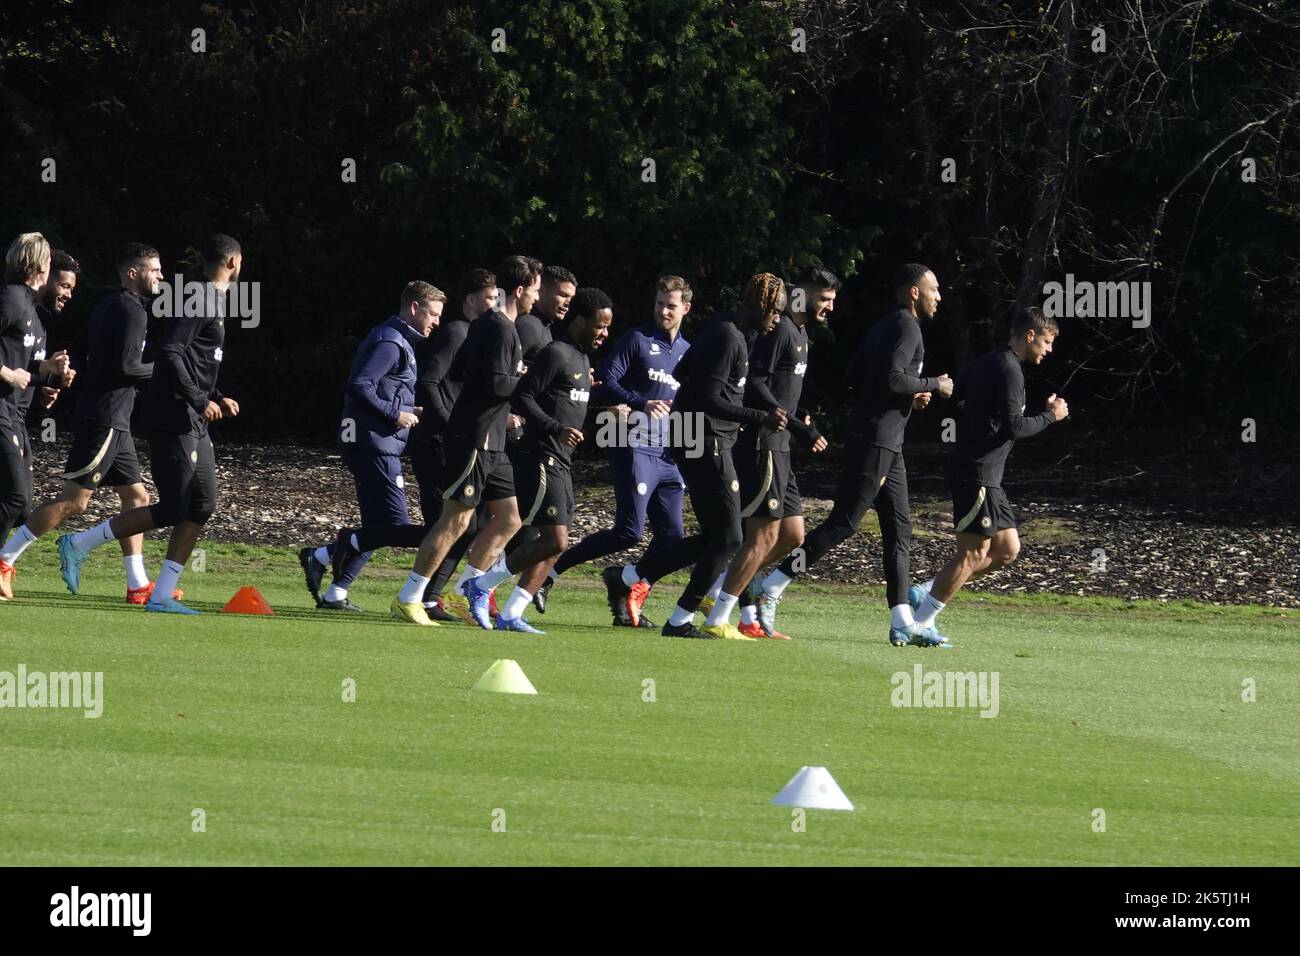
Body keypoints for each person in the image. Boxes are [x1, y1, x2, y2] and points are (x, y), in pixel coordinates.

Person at [758, 263, 956, 647]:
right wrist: (934, 384)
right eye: (934, 289)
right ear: (914, 292)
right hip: (876, 440)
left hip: (887, 441)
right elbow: (892, 379)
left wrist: (905, 397)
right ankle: (773, 584)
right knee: (843, 523)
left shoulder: (886, 325)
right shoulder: (906, 327)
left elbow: (856, 378)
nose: (939, 297)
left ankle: (902, 620)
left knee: (899, 530)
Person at [57, 234, 243, 614]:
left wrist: (217, 394)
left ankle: (161, 595)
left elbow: (194, 359)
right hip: (174, 417)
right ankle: (79, 544)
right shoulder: (201, 298)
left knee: (202, 504)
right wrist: (197, 398)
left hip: (195, 418)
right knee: (175, 506)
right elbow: (170, 350)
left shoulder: (212, 299)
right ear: (234, 263)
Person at [605, 273, 789, 639]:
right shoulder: (728, 336)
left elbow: (684, 371)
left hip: (699, 437)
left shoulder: (725, 329)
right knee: (731, 537)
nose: (778, 319)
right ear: (764, 305)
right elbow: (709, 398)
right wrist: (758, 417)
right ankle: (679, 620)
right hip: (705, 442)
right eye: (777, 311)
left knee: (716, 536)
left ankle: (627, 577)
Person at [1, 245, 181, 603]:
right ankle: (5, 560)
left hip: (116, 419)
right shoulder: (131, 311)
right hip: (105, 418)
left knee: (136, 496)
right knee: (75, 501)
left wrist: (53, 381)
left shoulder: (110, 306)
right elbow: (126, 368)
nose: (161, 276)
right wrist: (166, 369)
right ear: (133, 273)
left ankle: (136, 584)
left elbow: (79, 351)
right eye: (155, 270)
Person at [389, 255, 535, 626]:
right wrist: (536, 382)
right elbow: (496, 384)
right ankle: (409, 597)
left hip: (495, 438)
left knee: (510, 518)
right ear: (519, 290)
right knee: (457, 519)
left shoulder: (500, 326)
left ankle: (465, 592)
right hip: (476, 437)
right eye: (534, 289)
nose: (537, 297)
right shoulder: (499, 328)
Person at [909, 306, 1068, 636]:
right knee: (974, 552)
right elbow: (1015, 427)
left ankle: (926, 591)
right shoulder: (1008, 370)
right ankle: (921, 623)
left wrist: (977, 419)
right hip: (976, 472)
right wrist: (1052, 415)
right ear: (1030, 336)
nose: (1049, 349)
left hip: (989, 476)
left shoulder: (990, 361)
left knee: (1007, 549)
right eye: (1048, 341)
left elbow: (957, 401)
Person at [542, 275, 692, 626]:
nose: (662, 311)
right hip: (631, 442)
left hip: (669, 452)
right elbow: (607, 381)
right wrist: (640, 402)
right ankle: (551, 572)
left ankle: (626, 584)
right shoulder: (637, 340)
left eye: (670, 305)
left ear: (686, 308)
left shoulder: (688, 351)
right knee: (630, 531)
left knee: (673, 540)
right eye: (658, 303)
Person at [700, 265, 840, 638]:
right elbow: (755, 383)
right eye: (824, 299)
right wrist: (793, 424)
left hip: (782, 446)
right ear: (802, 294)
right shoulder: (779, 329)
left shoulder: (801, 332)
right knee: (761, 535)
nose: (829, 307)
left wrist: (801, 418)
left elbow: (783, 389)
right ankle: (720, 614)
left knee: (793, 535)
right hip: (763, 444)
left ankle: (736, 603)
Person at [302, 281, 444, 611]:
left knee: (376, 528)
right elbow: (360, 385)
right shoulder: (391, 342)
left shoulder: (397, 339)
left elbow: (381, 387)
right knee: (397, 528)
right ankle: (322, 554)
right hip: (374, 444)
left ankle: (336, 592)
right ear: (414, 308)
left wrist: (409, 409)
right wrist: (396, 414)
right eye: (433, 314)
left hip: (374, 442)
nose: (436, 322)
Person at [491, 287, 612, 633]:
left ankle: (512, 613)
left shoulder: (583, 359)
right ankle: (482, 585)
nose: (604, 334)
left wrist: (606, 407)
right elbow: (523, 396)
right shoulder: (555, 353)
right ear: (579, 321)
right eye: (599, 326)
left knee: (557, 544)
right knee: (555, 540)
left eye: (607, 328)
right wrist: (555, 428)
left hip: (562, 459)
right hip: (540, 455)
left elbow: (567, 403)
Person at [0, 232, 74, 600]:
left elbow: (22, 362)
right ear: (41, 265)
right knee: (17, 500)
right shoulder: (11, 299)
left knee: (18, 502)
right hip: (0, 411)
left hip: (14, 414)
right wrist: (8, 374)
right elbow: (10, 367)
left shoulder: (28, 308)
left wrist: (45, 371)